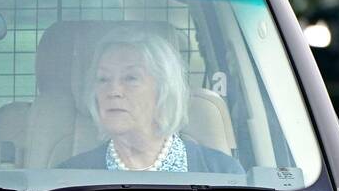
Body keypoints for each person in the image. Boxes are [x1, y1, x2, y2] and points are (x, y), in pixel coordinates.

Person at [60, 25, 242, 174]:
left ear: (164, 90)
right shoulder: (67, 177)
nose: (113, 91)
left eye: (131, 78)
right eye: (103, 79)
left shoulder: (222, 172)